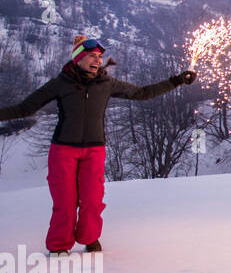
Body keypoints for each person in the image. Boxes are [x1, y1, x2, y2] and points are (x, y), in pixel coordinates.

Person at [0, 35, 196, 255]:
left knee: (92, 200)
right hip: (63, 150)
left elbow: (142, 94)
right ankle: (59, 246)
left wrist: (177, 81)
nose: (97, 60)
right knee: (65, 203)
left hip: (94, 150)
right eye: (92, 56)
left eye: (99, 57)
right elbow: (25, 108)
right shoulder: (60, 83)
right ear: (78, 59)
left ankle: (89, 237)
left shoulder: (106, 83)